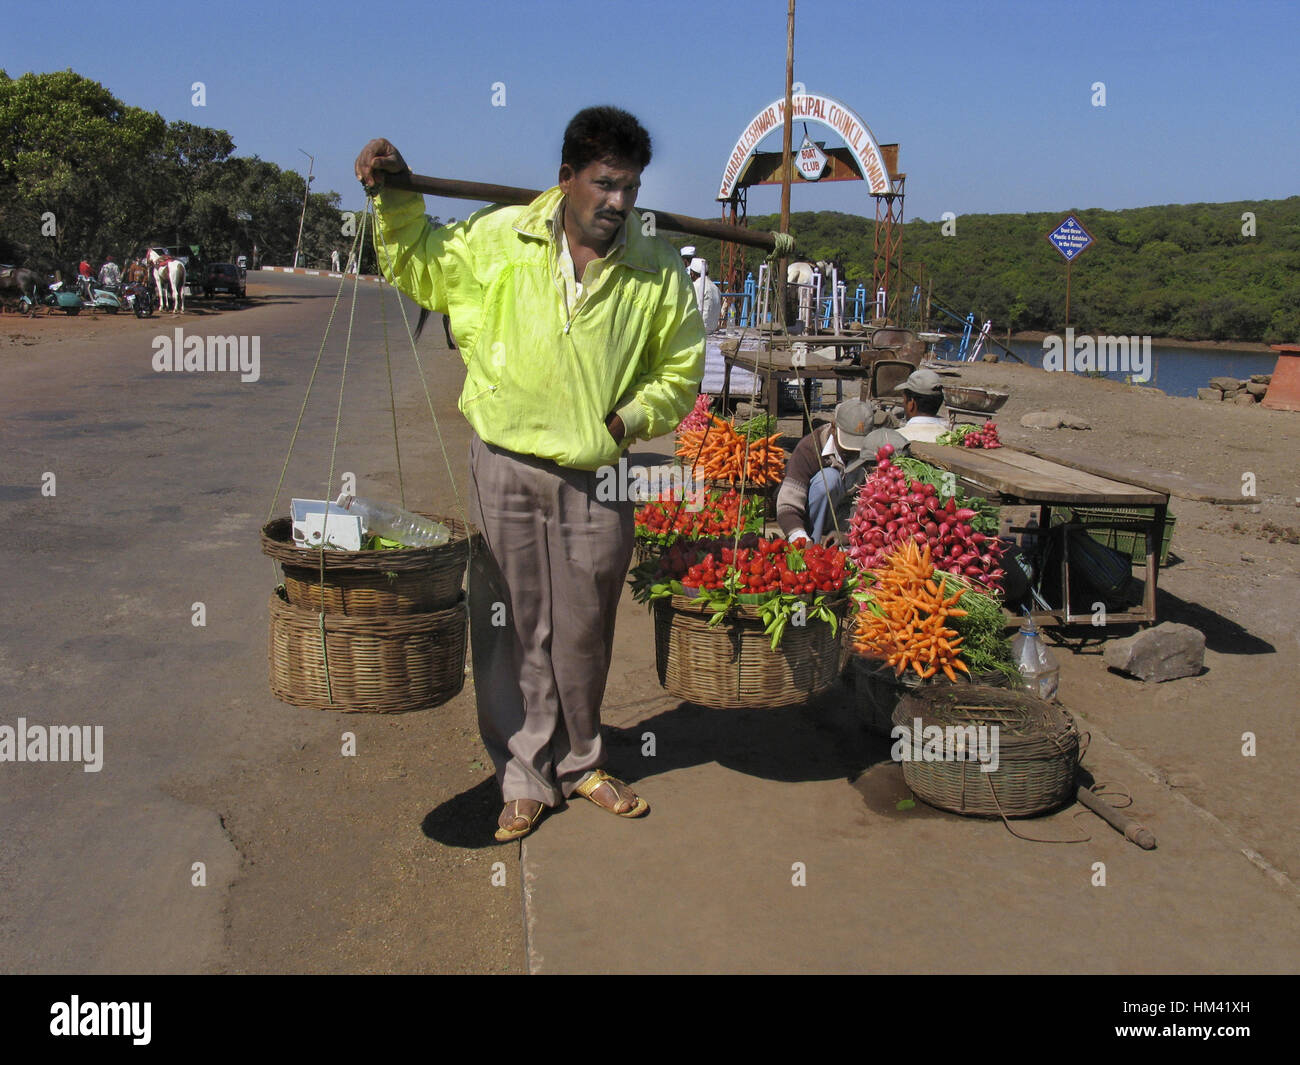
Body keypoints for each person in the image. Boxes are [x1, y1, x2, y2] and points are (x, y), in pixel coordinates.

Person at [356, 106, 705, 843]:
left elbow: (679, 374)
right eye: (605, 184)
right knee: (513, 625)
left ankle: (583, 762)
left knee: (584, 626)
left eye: (631, 188)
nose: (618, 202)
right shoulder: (497, 238)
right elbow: (418, 261)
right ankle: (522, 777)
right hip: (506, 461)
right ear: (566, 179)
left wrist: (623, 424)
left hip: (597, 475)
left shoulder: (655, 268)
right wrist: (393, 197)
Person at [777, 402, 907, 545]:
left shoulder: (871, 453)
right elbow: (787, 504)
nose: (852, 452)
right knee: (828, 479)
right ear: (833, 427)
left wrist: (848, 535)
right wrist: (801, 538)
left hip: (846, 521)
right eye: (847, 444)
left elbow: (867, 503)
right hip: (811, 517)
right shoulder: (810, 448)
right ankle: (814, 541)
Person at [895, 368, 948, 442]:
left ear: (911, 404)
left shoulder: (896, 438)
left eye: (904, 400)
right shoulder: (951, 439)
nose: (903, 404)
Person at [688, 257, 721, 333]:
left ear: (692, 274)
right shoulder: (716, 288)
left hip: (698, 329)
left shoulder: (694, 286)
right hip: (712, 328)